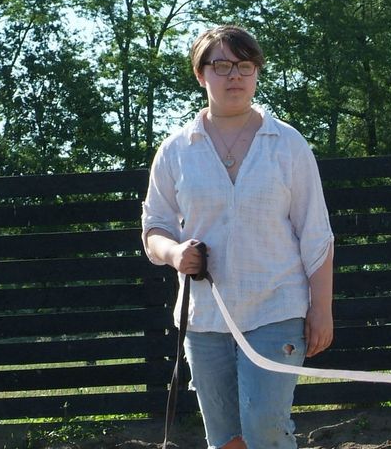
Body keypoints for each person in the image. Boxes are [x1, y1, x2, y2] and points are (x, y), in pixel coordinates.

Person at [141, 25, 334, 449]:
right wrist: (175, 253)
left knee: (265, 427)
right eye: (223, 66)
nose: (235, 76)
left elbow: (316, 233)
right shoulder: (176, 149)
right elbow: (154, 227)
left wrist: (321, 310)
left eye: (245, 66)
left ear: (256, 73)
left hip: (276, 308)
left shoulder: (287, 144)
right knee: (226, 436)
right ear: (200, 74)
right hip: (205, 317)